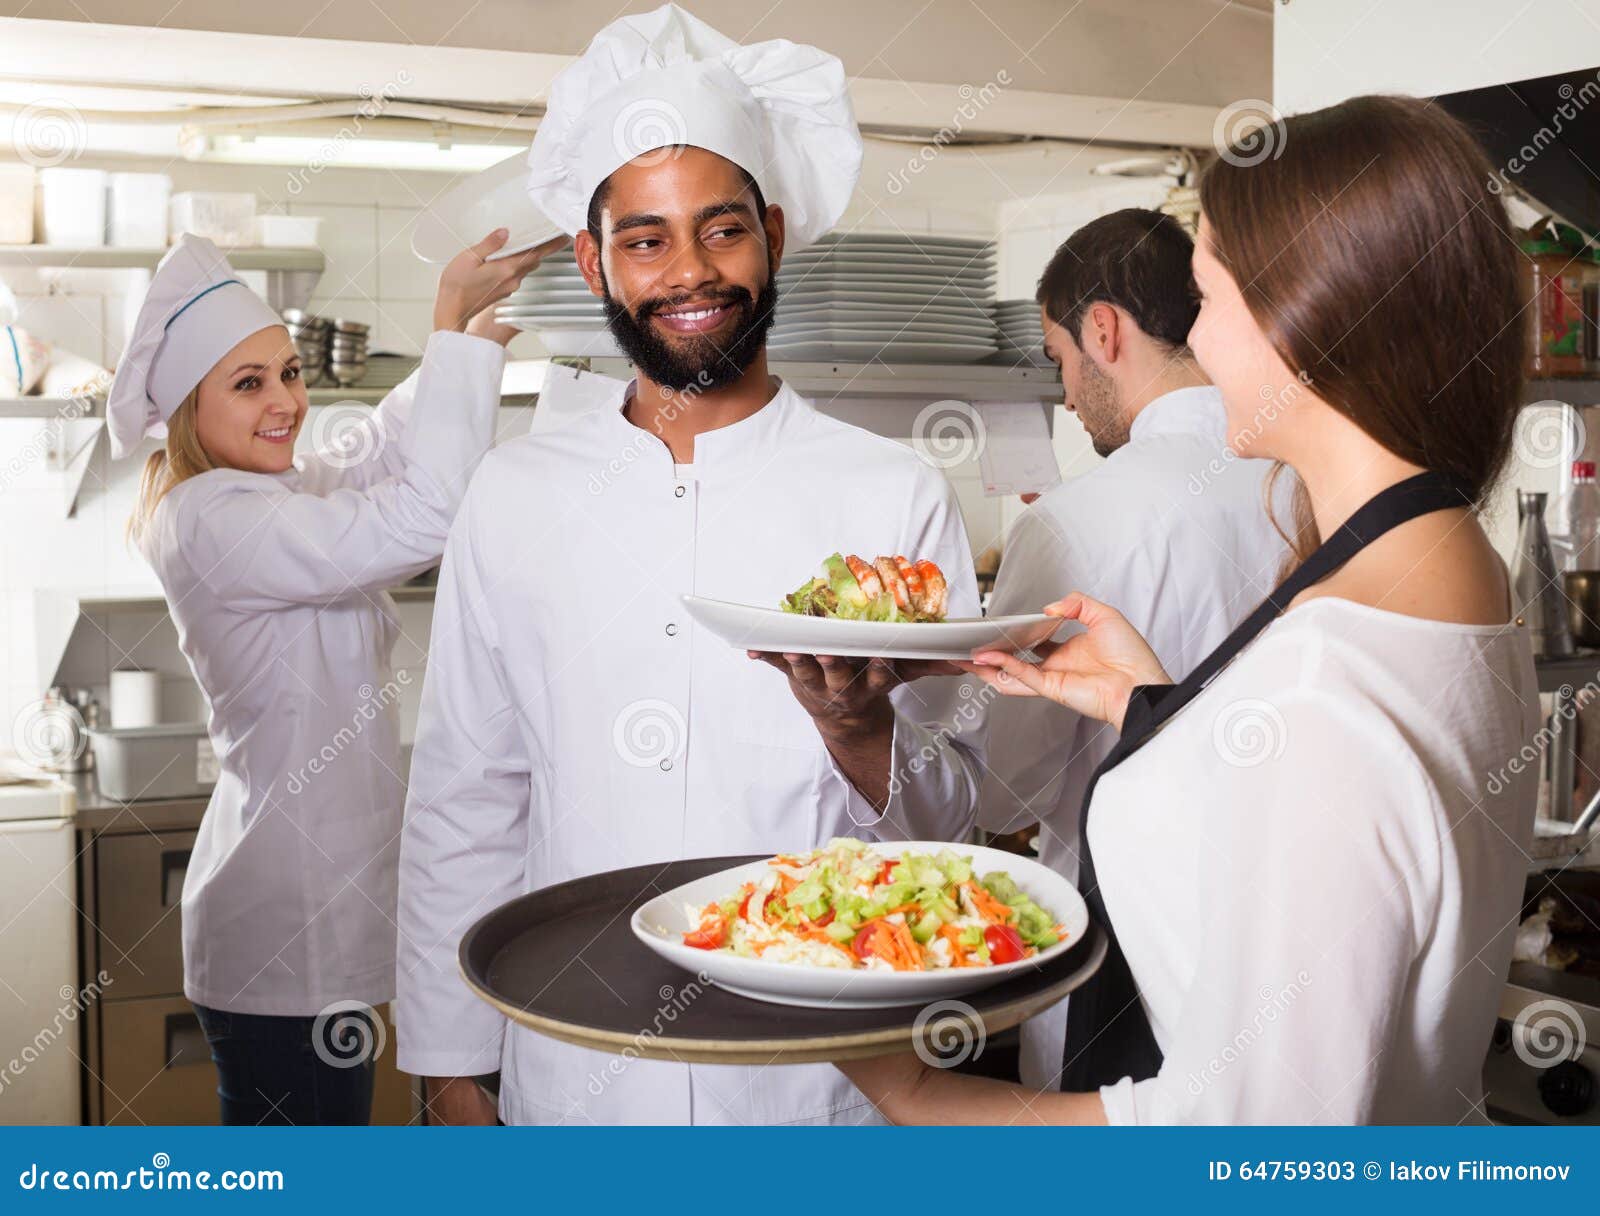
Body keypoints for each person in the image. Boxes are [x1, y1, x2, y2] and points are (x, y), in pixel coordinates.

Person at [842, 94, 1538, 1125]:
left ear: (1305, 313)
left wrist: (921, 1095)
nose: (1199, 343)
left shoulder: (1317, 695)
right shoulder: (1453, 557)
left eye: (1207, 299)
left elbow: (1237, 1144)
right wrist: (1160, 707)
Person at [396, 4, 982, 1126]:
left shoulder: (890, 492)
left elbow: (952, 822)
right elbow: (467, 792)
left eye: (720, 229)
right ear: (592, 259)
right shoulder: (515, 494)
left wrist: (864, 736)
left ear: (769, 231)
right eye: (645, 238)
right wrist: (448, 1062)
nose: (688, 272)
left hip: (819, 1080)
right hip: (576, 1073)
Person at [112, 227, 555, 1124]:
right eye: (248, 384)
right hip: (285, 937)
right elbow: (424, 515)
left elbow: (376, 455)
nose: (285, 402)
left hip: (307, 922)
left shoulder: (265, 491)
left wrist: (465, 332)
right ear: (187, 407)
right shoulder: (212, 518)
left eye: (289, 373)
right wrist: (451, 334)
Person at [979, 208, 1289, 1089]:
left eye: (1059, 360)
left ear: (1103, 331)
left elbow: (1011, 787)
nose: (1068, 396)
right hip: (1280, 920)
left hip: (1111, 945)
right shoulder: (1300, 481)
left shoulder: (1070, 523)